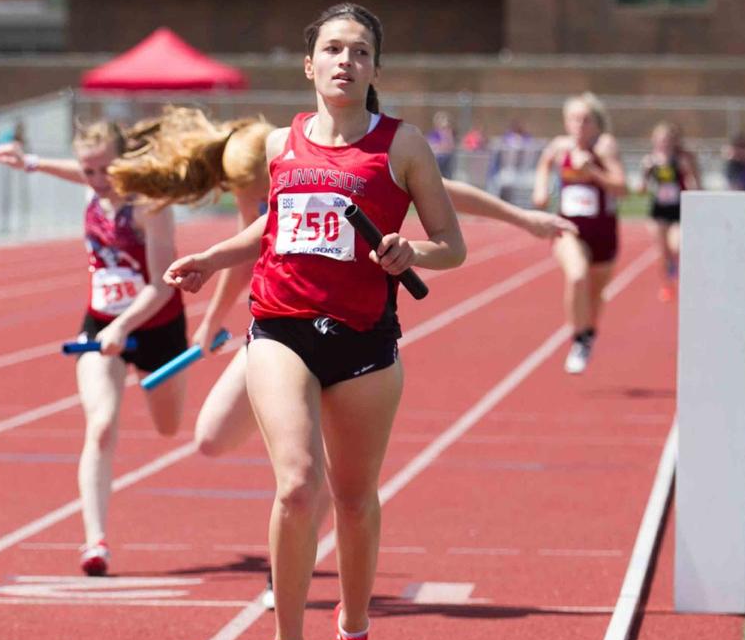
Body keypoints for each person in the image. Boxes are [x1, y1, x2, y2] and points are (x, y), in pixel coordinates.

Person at [109, 105, 574, 608]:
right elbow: (256, 243)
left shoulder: (336, 158)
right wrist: (212, 316)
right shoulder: (264, 167)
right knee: (212, 436)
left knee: (316, 476)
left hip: (346, 323)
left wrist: (521, 218)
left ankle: (298, 545)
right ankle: (305, 483)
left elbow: (442, 194)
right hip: (280, 324)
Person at [162, 2, 466, 640]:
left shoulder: (402, 145)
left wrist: (411, 251)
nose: (344, 62)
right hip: (281, 329)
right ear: (309, 65)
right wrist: (214, 257)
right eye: (332, 49)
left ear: (374, 67)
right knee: (298, 485)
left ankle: (353, 631)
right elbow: (274, 224)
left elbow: (451, 245)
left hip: (363, 342)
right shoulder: (280, 143)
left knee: (354, 501)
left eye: (359, 51)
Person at [0, 123, 187, 577]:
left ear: (125, 161)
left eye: (106, 169)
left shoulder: (150, 204)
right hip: (99, 326)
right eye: (89, 171)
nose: (97, 180)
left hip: (158, 327)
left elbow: (162, 286)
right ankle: (95, 541)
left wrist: (124, 325)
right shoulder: (93, 189)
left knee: (169, 427)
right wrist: (29, 162)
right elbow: (76, 171)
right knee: (100, 426)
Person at [532, 92, 627, 374]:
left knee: (595, 298)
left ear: (597, 123)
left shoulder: (605, 147)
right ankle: (578, 338)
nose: (579, 125)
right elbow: (544, 164)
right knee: (577, 276)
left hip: (603, 232)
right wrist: (541, 190)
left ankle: (587, 335)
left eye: (585, 120)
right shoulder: (560, 147)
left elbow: (622, 188)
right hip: (569, 228)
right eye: (574, 119)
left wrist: (594, 171)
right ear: (566, 122)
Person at [640, 121, 700, 300]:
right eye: (660, 139)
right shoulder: (649, 161)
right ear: (654, 140)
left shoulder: (681, 160)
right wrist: (646, 173)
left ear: (674, 141)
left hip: (677, 210)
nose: (664, 142)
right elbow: (641, 189)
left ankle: (677, 270)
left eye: (667, 139)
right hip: (658, 211)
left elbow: (693, 182)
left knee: (677, 245)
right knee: (662, 251)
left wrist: (690, 180)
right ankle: (667, 285)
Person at [426, 110, 456, 179]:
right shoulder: (433, 134)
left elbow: (450, 146)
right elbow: (432, 147)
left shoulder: (448, 133)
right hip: (438, 158)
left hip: (447, 158)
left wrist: (446, 133)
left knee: (447, 177)